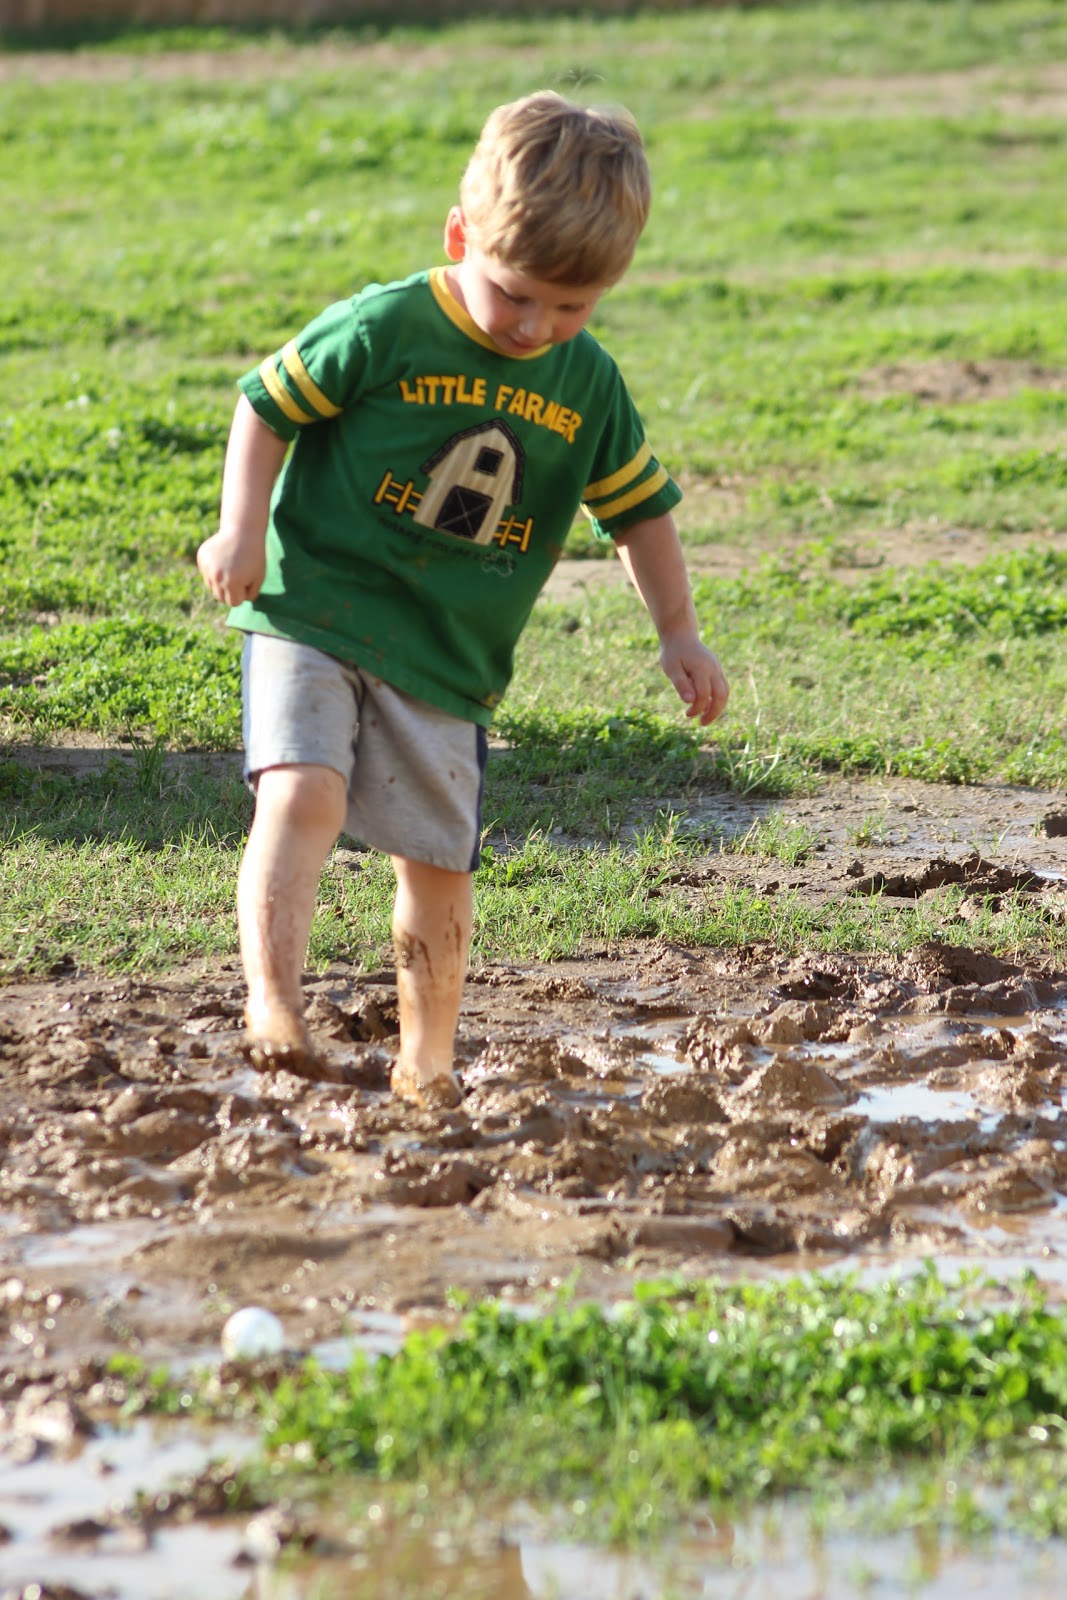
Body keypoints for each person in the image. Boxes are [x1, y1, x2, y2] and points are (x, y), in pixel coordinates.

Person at [196, 90, 729, 1110]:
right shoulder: (388, 323)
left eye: (571, 307)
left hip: (447, 655)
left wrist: (677, 630)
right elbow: (265, 404)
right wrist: (239, 526)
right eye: (515, 294)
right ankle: (273, 1006)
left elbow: (638, 513)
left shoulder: (587, 383)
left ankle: (426, 1066)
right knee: (301, 792)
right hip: (315, 605)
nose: (536, 327)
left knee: (436, 865)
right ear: (459, 236)